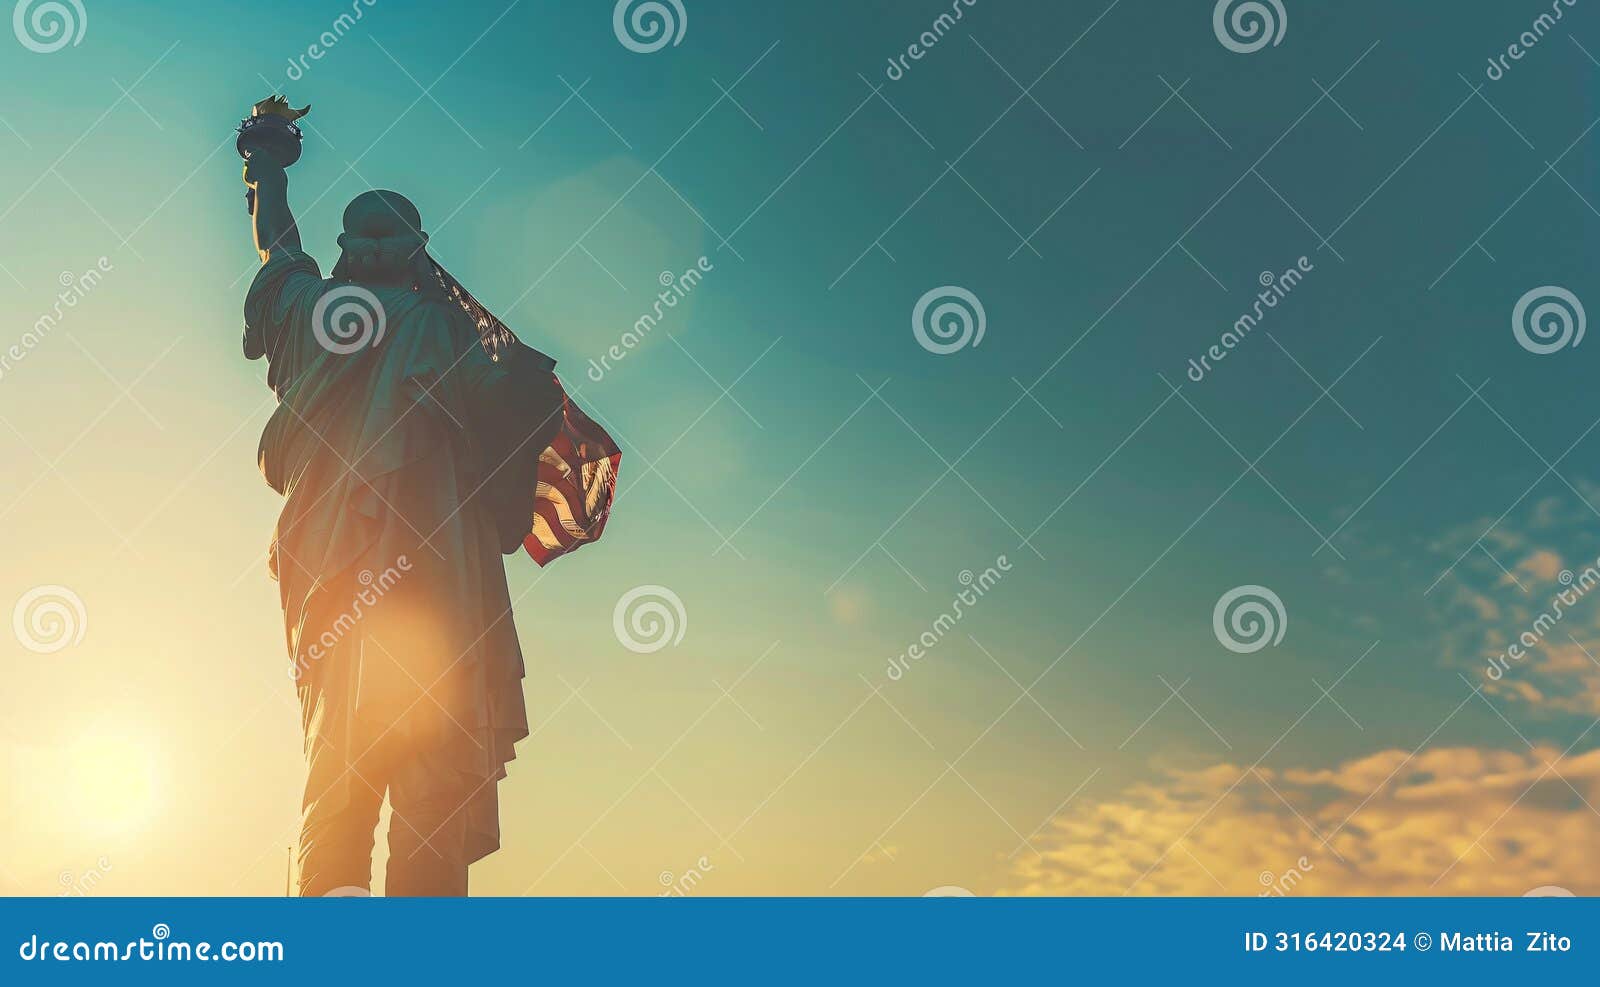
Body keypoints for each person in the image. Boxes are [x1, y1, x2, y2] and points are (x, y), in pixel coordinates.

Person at [238, 97, 616, 895]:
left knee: (342, 767)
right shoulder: (438, 326)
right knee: (426, 773)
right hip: (434, 572)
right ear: (418, 253)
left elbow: (277, 243)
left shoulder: (310, 311)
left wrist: (266, 164)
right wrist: (526, 389)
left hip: (334, 563)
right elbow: (501, 423)